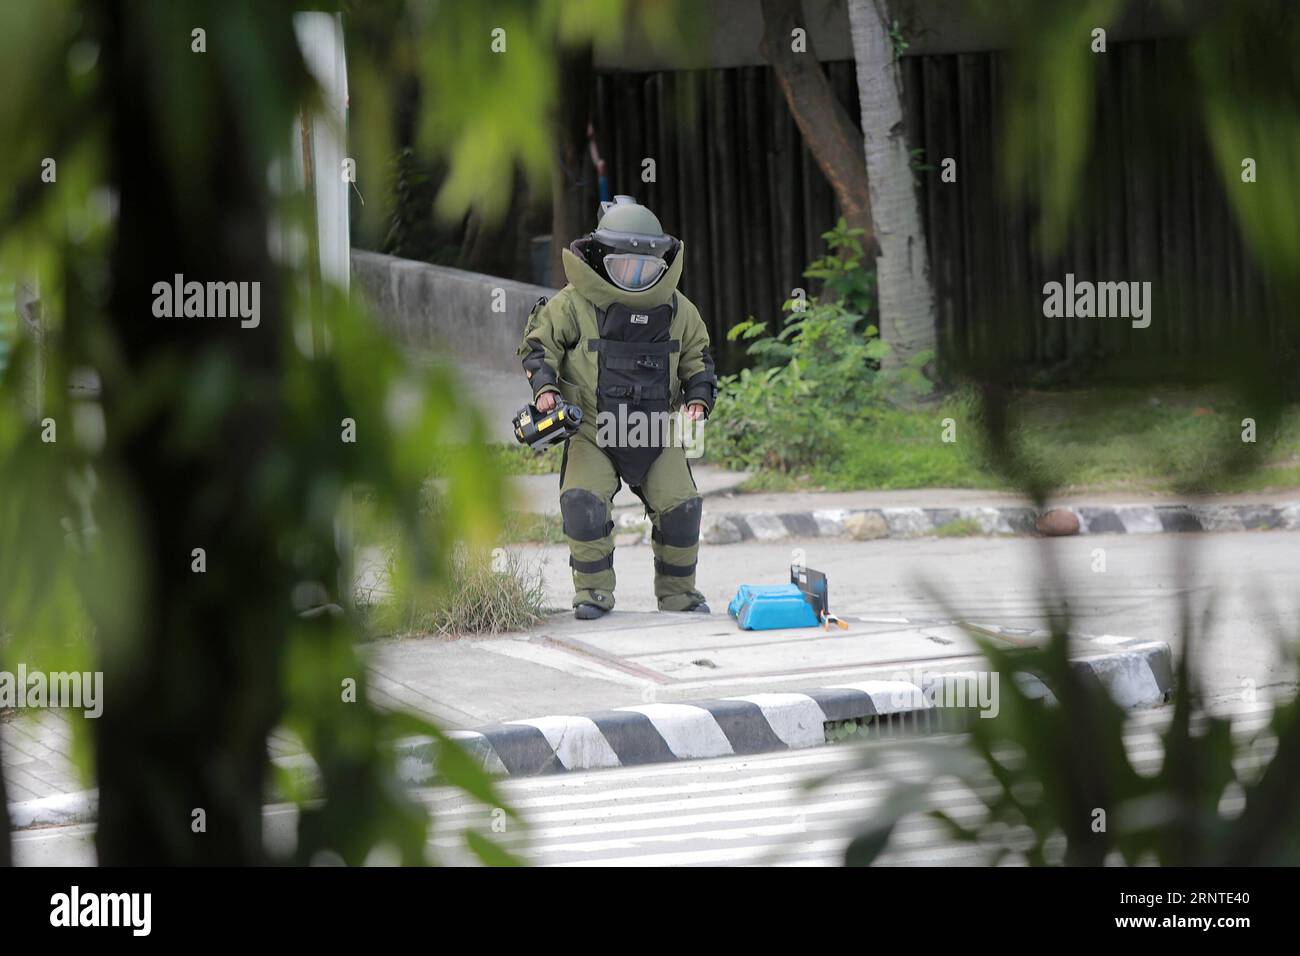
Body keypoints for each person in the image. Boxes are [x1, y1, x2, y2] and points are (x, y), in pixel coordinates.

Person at [517, 196, 717, 620]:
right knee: (583, 503)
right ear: (601, 257)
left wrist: (698, 399)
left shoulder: (680, 309)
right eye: (623, 265)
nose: (636, 275)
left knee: (682, 507)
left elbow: (698, 361)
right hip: (592, 427)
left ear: (662, 262)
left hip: (655, 430)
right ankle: (594, 594)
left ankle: (679, 595)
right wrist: (545, 390)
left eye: (646, 267)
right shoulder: (572, 303)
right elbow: (539, 348)